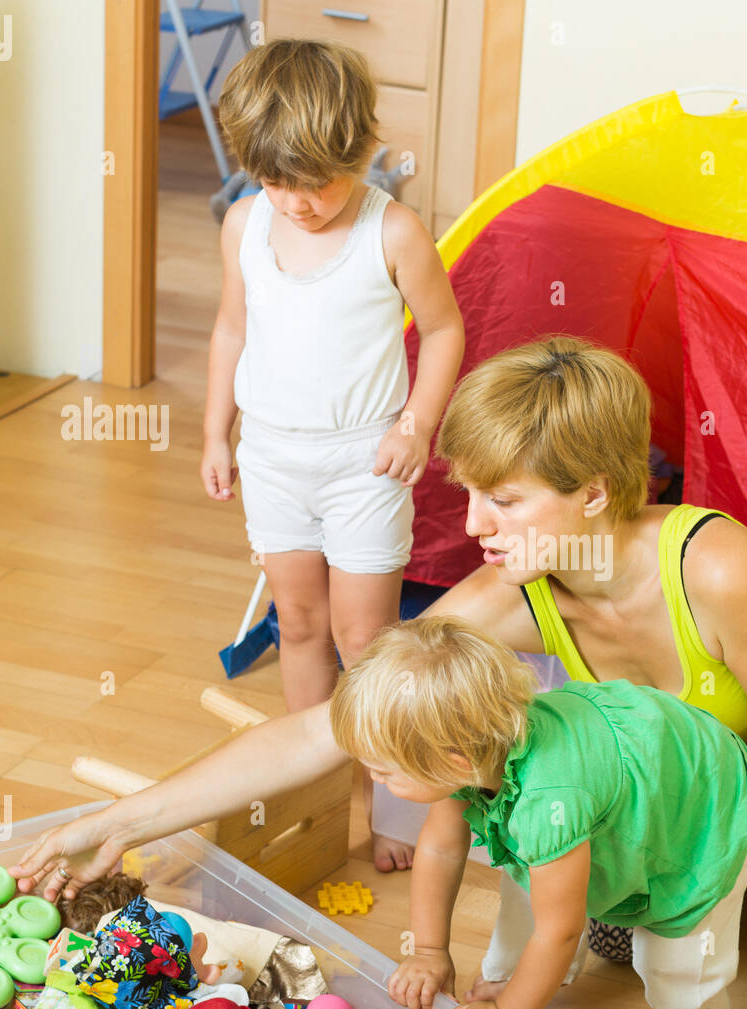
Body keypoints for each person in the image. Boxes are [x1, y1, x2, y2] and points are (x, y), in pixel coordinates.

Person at [14, 336, 747, 1009]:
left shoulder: (719, 571)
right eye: (470, 491)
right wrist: (132, 820)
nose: (473, 523)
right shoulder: (521, 588)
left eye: (503, 499)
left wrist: (693, 827)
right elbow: (334, 725)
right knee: (600, 927)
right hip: (699, 763)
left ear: (594, 492)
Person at [199, 38, 464, 871]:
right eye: (278, 182)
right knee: (301, 624)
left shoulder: (394, 230)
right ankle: (311, 791)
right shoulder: (247, 225)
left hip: (364, 465)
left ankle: (395, 802)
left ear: (360, 150)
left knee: (367, 638)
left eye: (319, 182)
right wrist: (218, 430)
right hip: (275, 459)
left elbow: (448, 329)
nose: (300, 203)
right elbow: (232, 330)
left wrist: (415, 424)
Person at [332, 615, 747, 1009]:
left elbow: (561, 929)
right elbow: (440, 849)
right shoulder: (474, 747)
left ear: (453, 763)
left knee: (675, 969)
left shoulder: (547, 802)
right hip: (635, 773)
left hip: (699, 814)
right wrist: (428, 951)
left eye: (383, 771)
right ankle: (516, 979)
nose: (373, 778)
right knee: (533, 880)